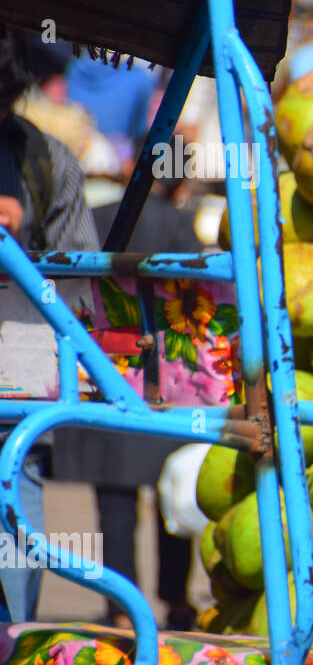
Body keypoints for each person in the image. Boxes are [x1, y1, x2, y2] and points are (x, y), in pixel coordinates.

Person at [52, 170, 201, 631]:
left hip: (105, 372)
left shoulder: (94, 218)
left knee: (114, 501)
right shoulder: (178, 224)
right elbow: (198, 300)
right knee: (170, 500)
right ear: (178, 184)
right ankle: (176, 602)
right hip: (165, 380)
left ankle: (120, 606)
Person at [0, 31, 98, 623]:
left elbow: (79, 283)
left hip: (16, 404)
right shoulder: (50, 156)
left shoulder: (46, 160)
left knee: (16, 558)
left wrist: (22, 256)